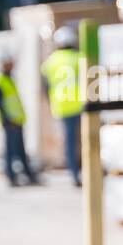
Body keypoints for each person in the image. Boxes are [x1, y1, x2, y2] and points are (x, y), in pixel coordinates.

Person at [40, 25, 85, 187]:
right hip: (82, 104)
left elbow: (45, 86)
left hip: (61, 106)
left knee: (70, 142)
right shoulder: (79, 58)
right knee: (87, 139)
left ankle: (74, 173)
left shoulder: (50, 62)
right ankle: (90, 169)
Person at [0, 52, 39, 186]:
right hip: (9, 122)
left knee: (21, 151)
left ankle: (27, 175)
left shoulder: (9, 78)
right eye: (9, 63)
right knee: (10, 151)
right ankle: (11, 177)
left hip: (17, 120)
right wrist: (7, 119)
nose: (12, 66)